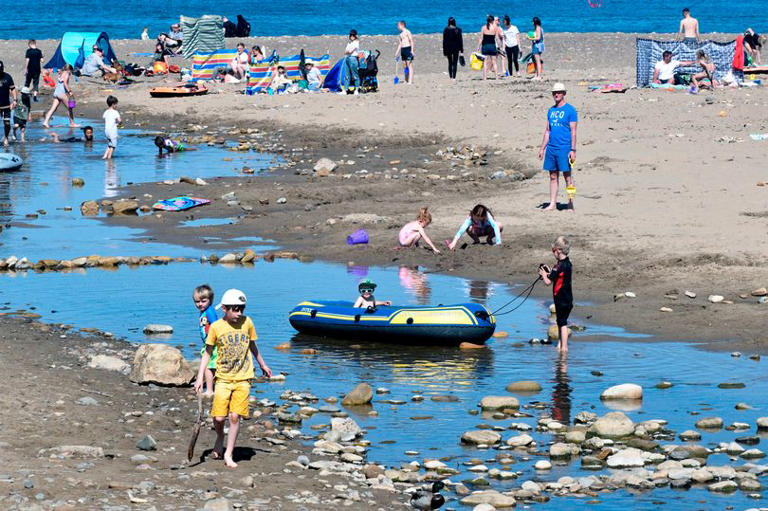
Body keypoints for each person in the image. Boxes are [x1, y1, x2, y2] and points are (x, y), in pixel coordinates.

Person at [194, 289, 272, 468]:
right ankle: (220, 436)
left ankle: (229, 454)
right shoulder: (216, 327)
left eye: (241, 309)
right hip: (223, 378)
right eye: (235, 309)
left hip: (243, 377)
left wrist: (263, 364)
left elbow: (253, 345)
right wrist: (200, 379)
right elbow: (207, 354)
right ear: (224, 309)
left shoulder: (247, 323)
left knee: (235, 416)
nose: (239, 313)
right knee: (220, 418)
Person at [538, 83, 577, 211]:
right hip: (552, 148)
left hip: (564, 148)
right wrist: (542, 148)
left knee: (567, 176)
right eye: (554, 92)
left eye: (559, 92)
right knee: (553, 176)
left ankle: (570, 202)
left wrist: (572, 150)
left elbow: (573, 131)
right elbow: (548, 131)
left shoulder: (570, 110)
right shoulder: (551, 110)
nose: (556, 94)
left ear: (564, 94)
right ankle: (553, 203)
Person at [538, 236, 573, 352]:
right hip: (568, 298)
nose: (553, 253)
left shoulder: (557, 266)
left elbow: (548, 282)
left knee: (562, 324)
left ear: (558, 250)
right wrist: (549, 272)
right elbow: (557, 277)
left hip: (560, 299)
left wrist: (543, 274)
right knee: (560, 321)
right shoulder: (568, 263)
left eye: (553, 251)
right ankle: (559, 344)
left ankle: (564, 348)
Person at [193, 284, 218, 397]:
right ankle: (212, 387)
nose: (200, 304)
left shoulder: (210, 312)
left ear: (210, 300)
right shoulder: (204, 311)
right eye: (197, 302)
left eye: (203, 301)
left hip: (213, 344)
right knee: (210, 366)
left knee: (209, 367)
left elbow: (216, 326)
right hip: (207, 343)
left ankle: (209, 390)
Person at [478, 15, 502, 80]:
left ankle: (485, 77)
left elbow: (481, 38)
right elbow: (497, 38)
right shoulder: (495, 28)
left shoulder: (483, 27)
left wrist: (478, 46)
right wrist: (499, 46)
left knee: (485, 62)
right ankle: (496, 77)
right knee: (494, 62)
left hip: (485, 46)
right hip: (492, 46)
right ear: (492, 21)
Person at [0, 61, 16, 147]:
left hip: (6, 104)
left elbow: (13, 89)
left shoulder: (8, 77)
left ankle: (6, 137)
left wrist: (15, 100)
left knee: (7, 123)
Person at [342, 30, 360, 94]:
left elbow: (350, 51)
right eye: (351, 35)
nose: (352, 37)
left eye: (353, 35)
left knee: (355, 75)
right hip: (348, 58)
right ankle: (345, 89)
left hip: (353, 58)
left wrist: (348, 52)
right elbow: (345, 52)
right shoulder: (349, 43)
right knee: (347, 75)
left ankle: (356, 89)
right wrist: (348, 52)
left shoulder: (356, 42)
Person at [102, 95, 120, 160]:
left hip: (106, 130)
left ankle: (104, 156)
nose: (117, 106)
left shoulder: (106, 112)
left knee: (109, 144)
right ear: (113, 104)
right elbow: (119, 120)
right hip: (112, 130)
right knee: (113, 145)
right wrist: (119, 123)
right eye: (116, 104)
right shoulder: (115, 112)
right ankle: (109, 158)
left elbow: (105, 120)